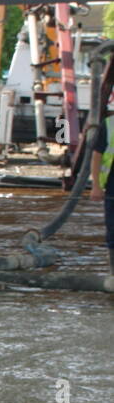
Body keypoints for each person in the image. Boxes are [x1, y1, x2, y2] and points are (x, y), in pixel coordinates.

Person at [90, 107, 114, 285]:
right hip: (112, 188)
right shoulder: (109, 125)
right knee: (113, 230)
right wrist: (96, 186)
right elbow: (97, 156)